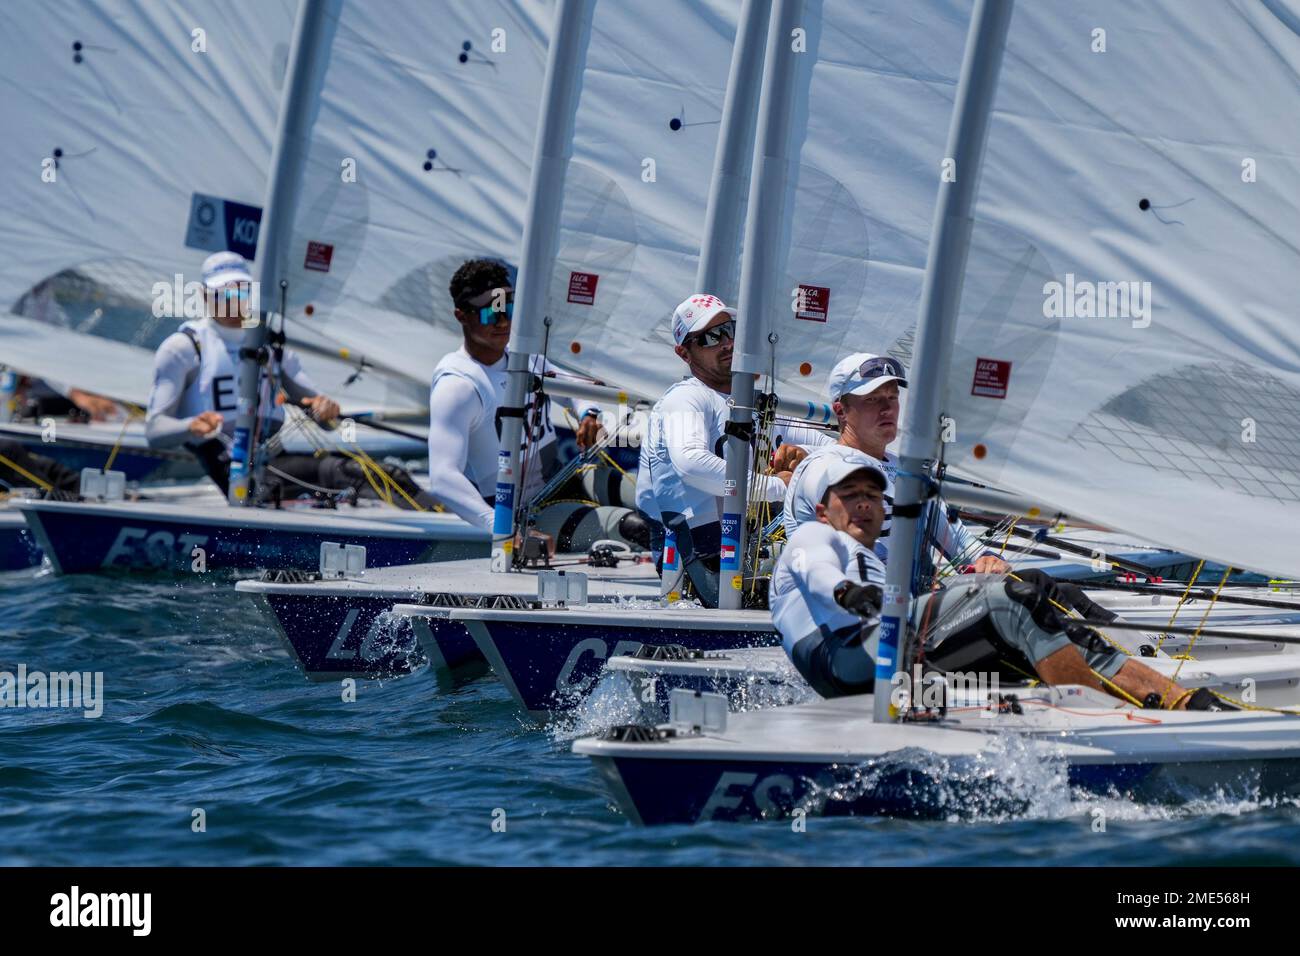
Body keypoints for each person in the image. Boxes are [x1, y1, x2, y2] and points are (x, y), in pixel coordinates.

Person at [772, 452, 1234, 711]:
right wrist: (851, 594)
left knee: (1030, 616)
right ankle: (1092, 718)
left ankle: (1178, 701)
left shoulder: (862, 550)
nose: (865, 505)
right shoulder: (817, 536)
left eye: (872, 496)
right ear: (822, 509)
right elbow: (815, 571)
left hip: (880, 659)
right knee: (1010, 600)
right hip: (846, 657)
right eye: (850, 497)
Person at [146, 251, 435, 509]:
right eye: (225, 294)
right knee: (350, 474)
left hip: (270, 461)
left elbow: (326, 421)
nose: (235, 304)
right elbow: (155, 430)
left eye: (242, 293)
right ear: (204, 295)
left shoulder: (271, 345)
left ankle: (451, 524)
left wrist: (326, 409)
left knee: (385, 475)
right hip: (227, 467)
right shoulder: (183, 347)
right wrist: (191, 425)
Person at [637, 293, 831, 606]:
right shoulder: (686, 398)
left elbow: (825, 442)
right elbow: (691, 462)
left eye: (732, 330)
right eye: (711, 337)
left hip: (744, 538)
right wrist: (778, 485)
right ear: (684, 353)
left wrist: (808, 459)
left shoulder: (747, 401)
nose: (727, 342)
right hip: (696, 545)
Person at [783, 352, 1010, 574]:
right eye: (872, 399)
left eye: (892, 397)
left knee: (1028, 587)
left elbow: (956, 536)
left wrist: (986, 559)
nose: (887, 408)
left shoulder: (904, 469)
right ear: (841, 411)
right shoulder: (825, 467)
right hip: (848, 602)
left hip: (899, 601)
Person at [425, 258, 603, 540]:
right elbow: (443, 477)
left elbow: (578, 391)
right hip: (520, 513)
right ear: (461, 315)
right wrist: (502, 527)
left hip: (561, 483)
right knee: (633, 527)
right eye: (489, 313)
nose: (503, 321)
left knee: (649, 496)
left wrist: (588, 414)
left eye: (508, 308)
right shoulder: (458, 387)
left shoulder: (524, 357)